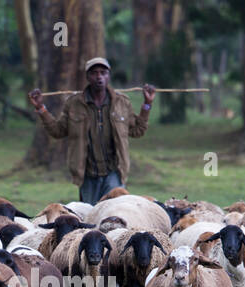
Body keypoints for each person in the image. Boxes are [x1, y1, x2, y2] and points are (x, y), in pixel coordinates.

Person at [28, 58, 156, 204]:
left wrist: (147, 104)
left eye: (103, 73)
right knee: (91, 216)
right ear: (88, 77)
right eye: (94, 73)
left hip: (114, 173)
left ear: (108, 76)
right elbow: (58, 131)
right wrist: (41, 108)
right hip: (87, 176)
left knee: (116, 212)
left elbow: (138, 130)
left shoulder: (122, 102)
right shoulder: (74, 103)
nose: (99, 77)